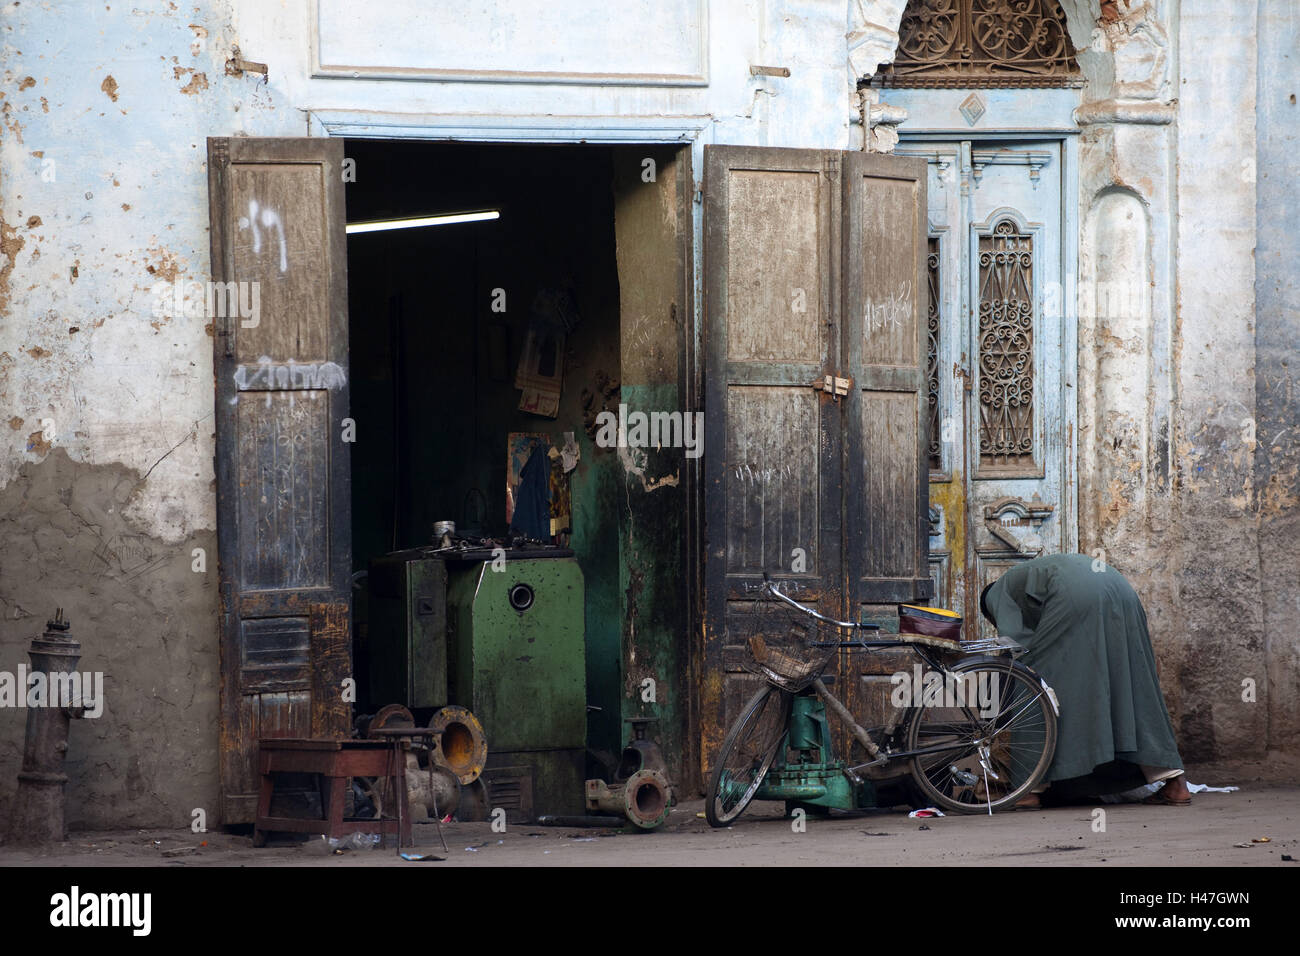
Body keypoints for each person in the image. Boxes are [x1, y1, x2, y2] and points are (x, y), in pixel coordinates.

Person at [979, 552, 1191, 808]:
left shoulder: (994, 594)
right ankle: (1175, 784)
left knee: (1033, 684)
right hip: (1121, 590)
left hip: (1076, 596)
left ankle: (1029, 790)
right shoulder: (1030, 577)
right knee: (1134, 684)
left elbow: (1015, 646)